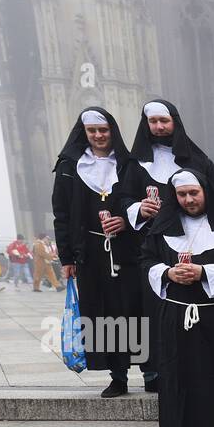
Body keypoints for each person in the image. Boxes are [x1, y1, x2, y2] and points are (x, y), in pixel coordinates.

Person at [139, 169, 214, 427]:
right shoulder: (161, 232)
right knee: (179, 379)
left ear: (206, 193)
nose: (189, 200)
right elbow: (145, 262)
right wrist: (168, 272)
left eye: (194, 193)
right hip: (177, 319)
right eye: (182, 195)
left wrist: (204, 272)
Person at [126, 100, 214, 394]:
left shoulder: (197, 160)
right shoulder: (135, 163)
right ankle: (150, 369)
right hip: (149, 245)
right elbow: (122, 197)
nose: (158, 127)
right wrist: (137, 209)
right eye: (152, 122)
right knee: (148, 308)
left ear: (175, 123)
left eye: (163, 122)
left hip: (195, 243)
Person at [51, 106, 144, 397]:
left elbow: (142, 203)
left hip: (128, 249)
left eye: (103, 130)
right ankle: (119, 376)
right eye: (92, 131)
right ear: (84, 133)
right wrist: (67, 257)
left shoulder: (129, 165)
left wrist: (127, 221)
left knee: (135, 309)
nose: (99, 136)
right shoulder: (69, 166)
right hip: (91, 252)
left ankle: (150, 370)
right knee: (106, 315)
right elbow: (61, 213)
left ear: (112, 131)